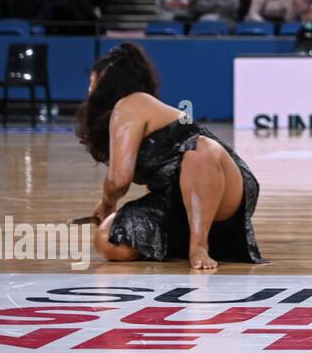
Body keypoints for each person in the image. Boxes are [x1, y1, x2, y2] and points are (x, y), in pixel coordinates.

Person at [80, 43, 264, 270]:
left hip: (224, 188)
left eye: (92, 83)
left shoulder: (130, 104)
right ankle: (180, 240)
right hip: (175, 201)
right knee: (108, 240)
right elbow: (159, 178)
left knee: (199, 149)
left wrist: (107, 203)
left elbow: (119, 180)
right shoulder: (126, 112)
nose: (89, 92)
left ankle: (199, 244)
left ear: (106, 79)